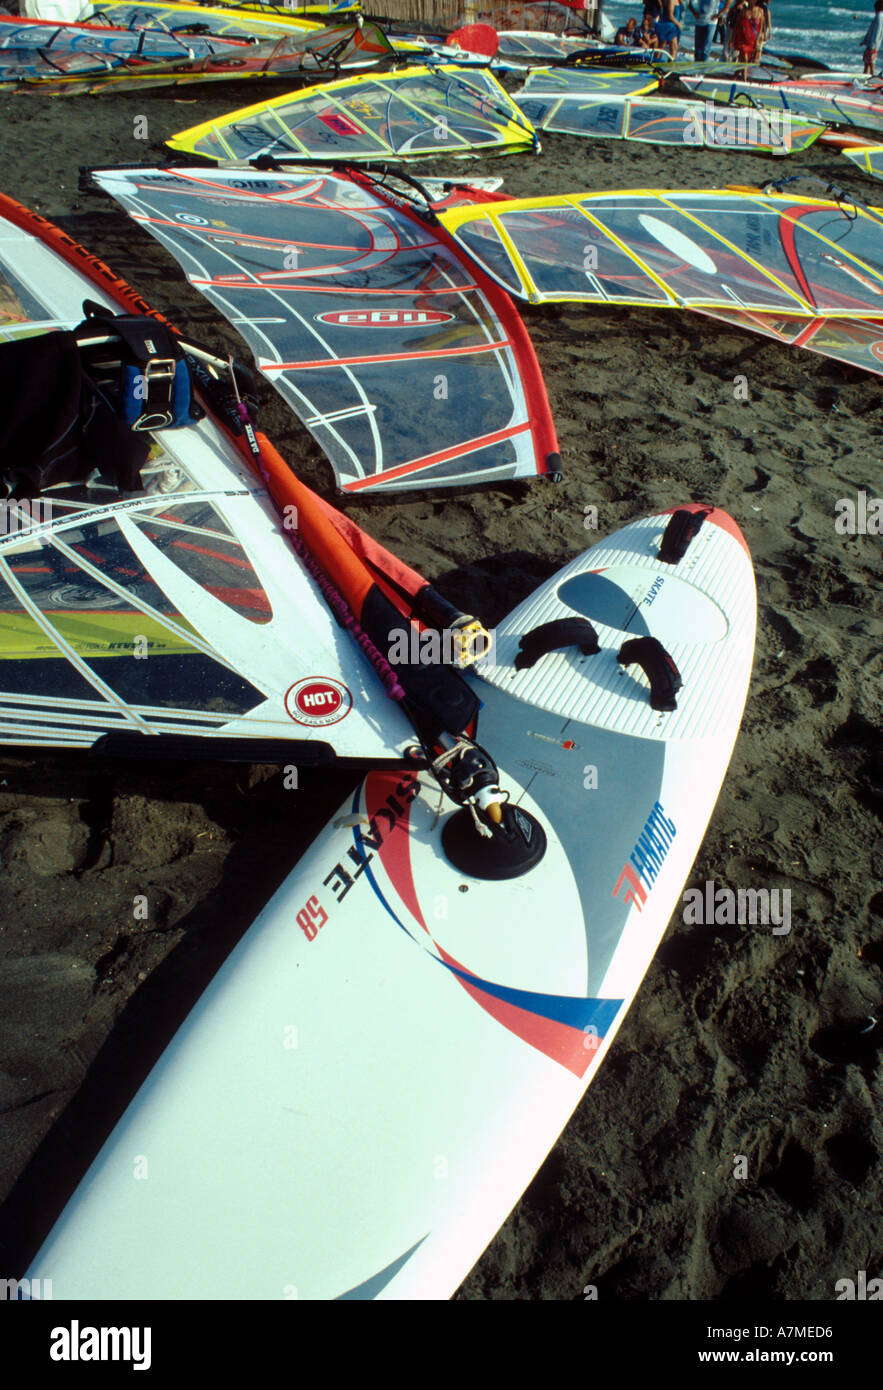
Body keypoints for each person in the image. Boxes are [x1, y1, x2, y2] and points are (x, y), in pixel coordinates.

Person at [862, 0, 883, 75]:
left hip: (873, 45)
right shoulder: (878, 17)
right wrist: (865, 41)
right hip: (871, 44)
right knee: (867, 61)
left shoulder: (880, 17)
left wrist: (873, 46)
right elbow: (871, 30)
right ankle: (865, 75)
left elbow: (877, 32)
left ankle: (871, 75)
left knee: (871, 62)